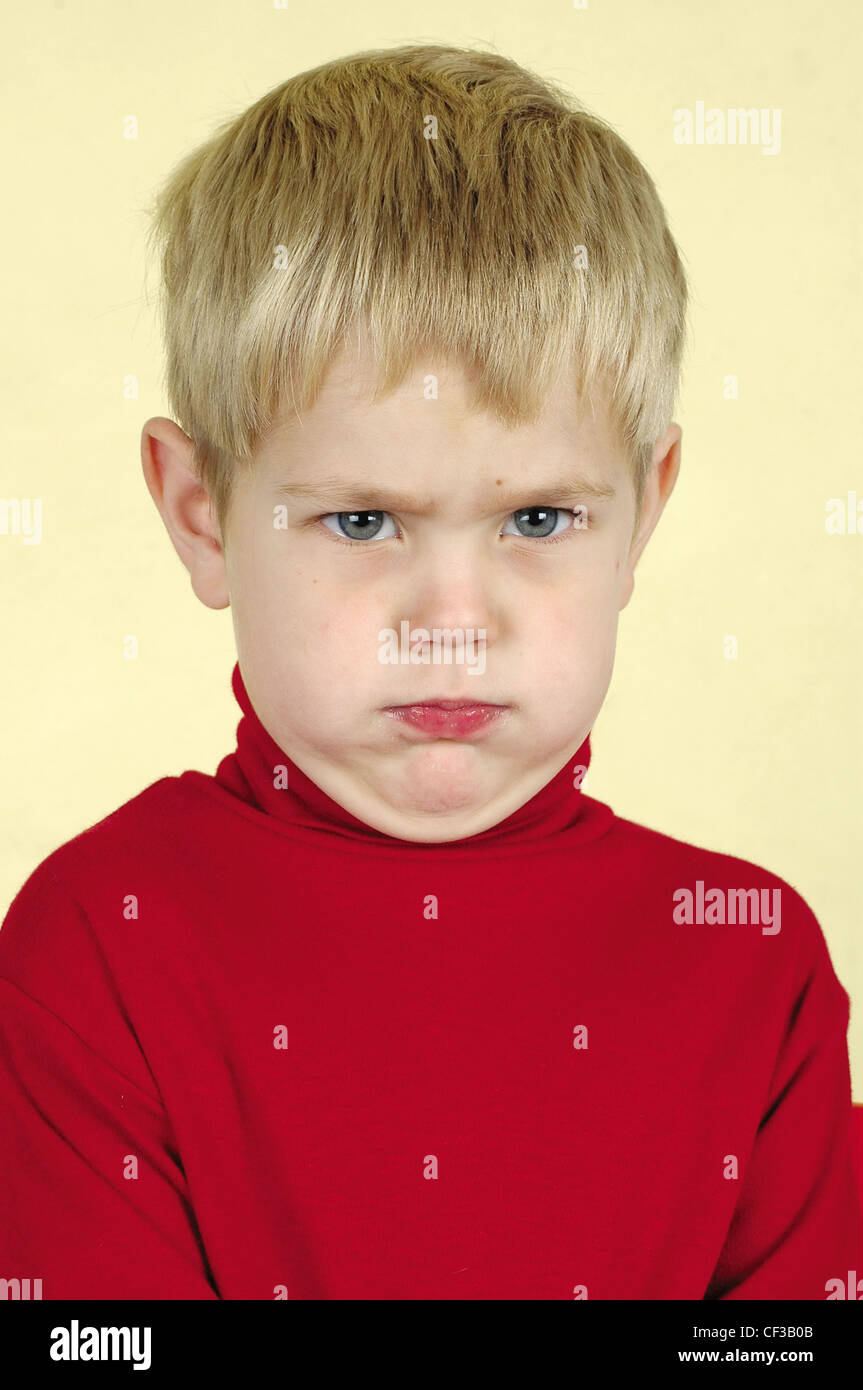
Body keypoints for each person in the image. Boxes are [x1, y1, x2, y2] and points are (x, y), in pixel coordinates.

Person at [0, 43, 859, 1300]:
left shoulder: (752, 965)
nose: (452, 625)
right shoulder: (95, 952)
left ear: (644, 509)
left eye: (538, 521)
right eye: (360, 522)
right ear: (200, 514)